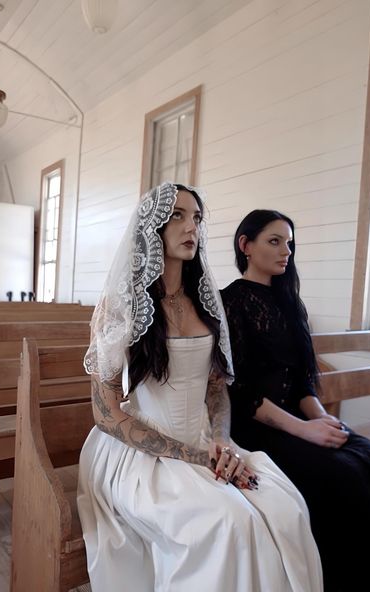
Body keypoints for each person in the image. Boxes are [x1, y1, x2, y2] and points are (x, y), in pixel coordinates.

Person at [77, 183, 323, 592]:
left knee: (286, 507)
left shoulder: (205, 303)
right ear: (151, 225)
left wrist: (223, 444)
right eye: (178, 215)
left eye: (197, 218)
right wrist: (191, 455)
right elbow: (105, 414)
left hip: (206, 442)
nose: (191, 226)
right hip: (140, 454)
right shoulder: (120, 306)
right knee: (230, 522)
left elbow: (215, 391)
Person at [221, 209, 370, 592]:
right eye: (275, 241)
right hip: (257, 426)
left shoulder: (290, 302)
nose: (286, 251)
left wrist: (323, 419)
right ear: (246, 245)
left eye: (289, 243)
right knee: (343, 476)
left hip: (297, 417)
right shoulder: (230, 302)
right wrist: (305, 431)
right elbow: (240, 391)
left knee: (367, 456)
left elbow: (303, 379)